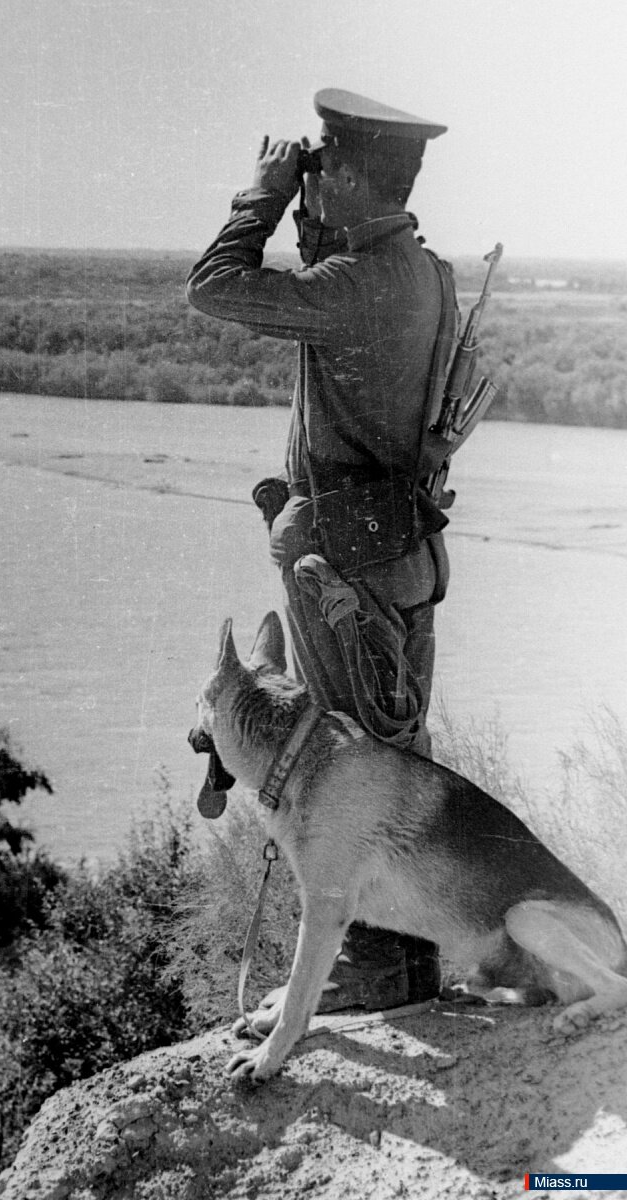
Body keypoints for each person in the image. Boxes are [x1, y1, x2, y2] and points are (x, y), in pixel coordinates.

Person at [186, 89, 458, 1013]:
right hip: (396, 555)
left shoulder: (358, 287)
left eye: (318, 168)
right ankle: (409, 958)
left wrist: (259, 199)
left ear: (343, 173)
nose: (308, 178)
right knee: (392, 749)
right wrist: (321, 219)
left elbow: (212, 286)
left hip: (344, 564)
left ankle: (372, 966)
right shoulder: (420, 271)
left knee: (349, 762)